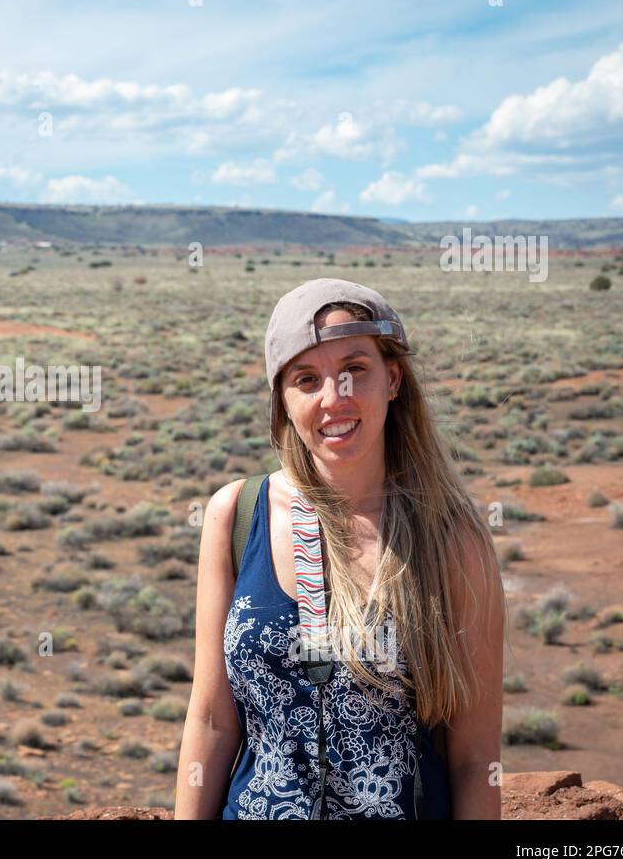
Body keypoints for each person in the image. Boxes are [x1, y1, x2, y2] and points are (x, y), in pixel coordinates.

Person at [174, 278, 505, 820]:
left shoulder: (452, 536)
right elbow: (212, 718)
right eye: (307, 379)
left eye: (355, 370)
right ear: (283, 400)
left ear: (392, 379)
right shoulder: (236, 514)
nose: (335, 397)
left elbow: (474, 757)